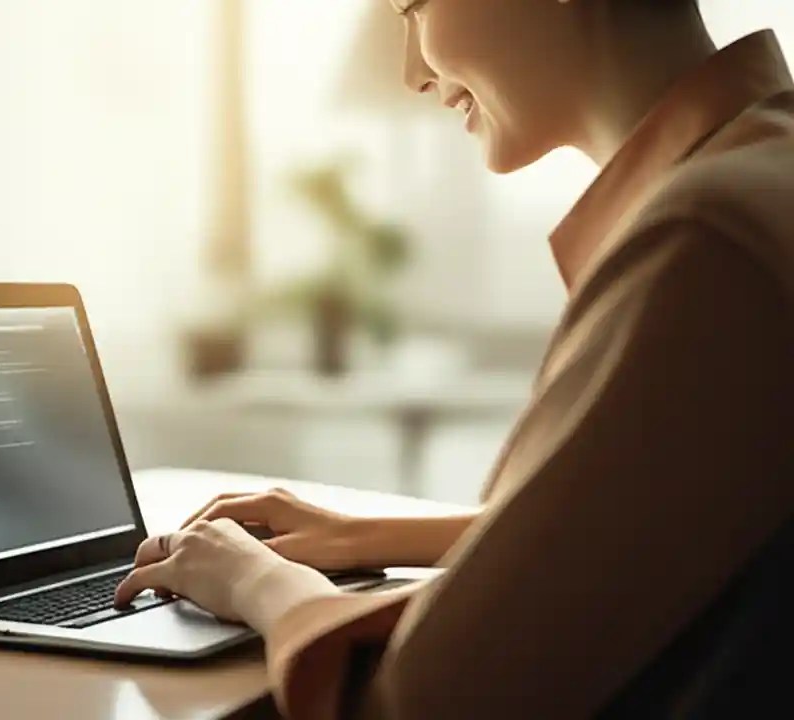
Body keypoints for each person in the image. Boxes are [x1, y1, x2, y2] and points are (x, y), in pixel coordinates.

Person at [113, 1, 794, 717]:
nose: (414, 72)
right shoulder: (764, 173)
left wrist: (255, 582)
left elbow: (425, 704)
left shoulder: (705, 244)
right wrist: (367, 536)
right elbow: (671, 533)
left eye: (413, 7)